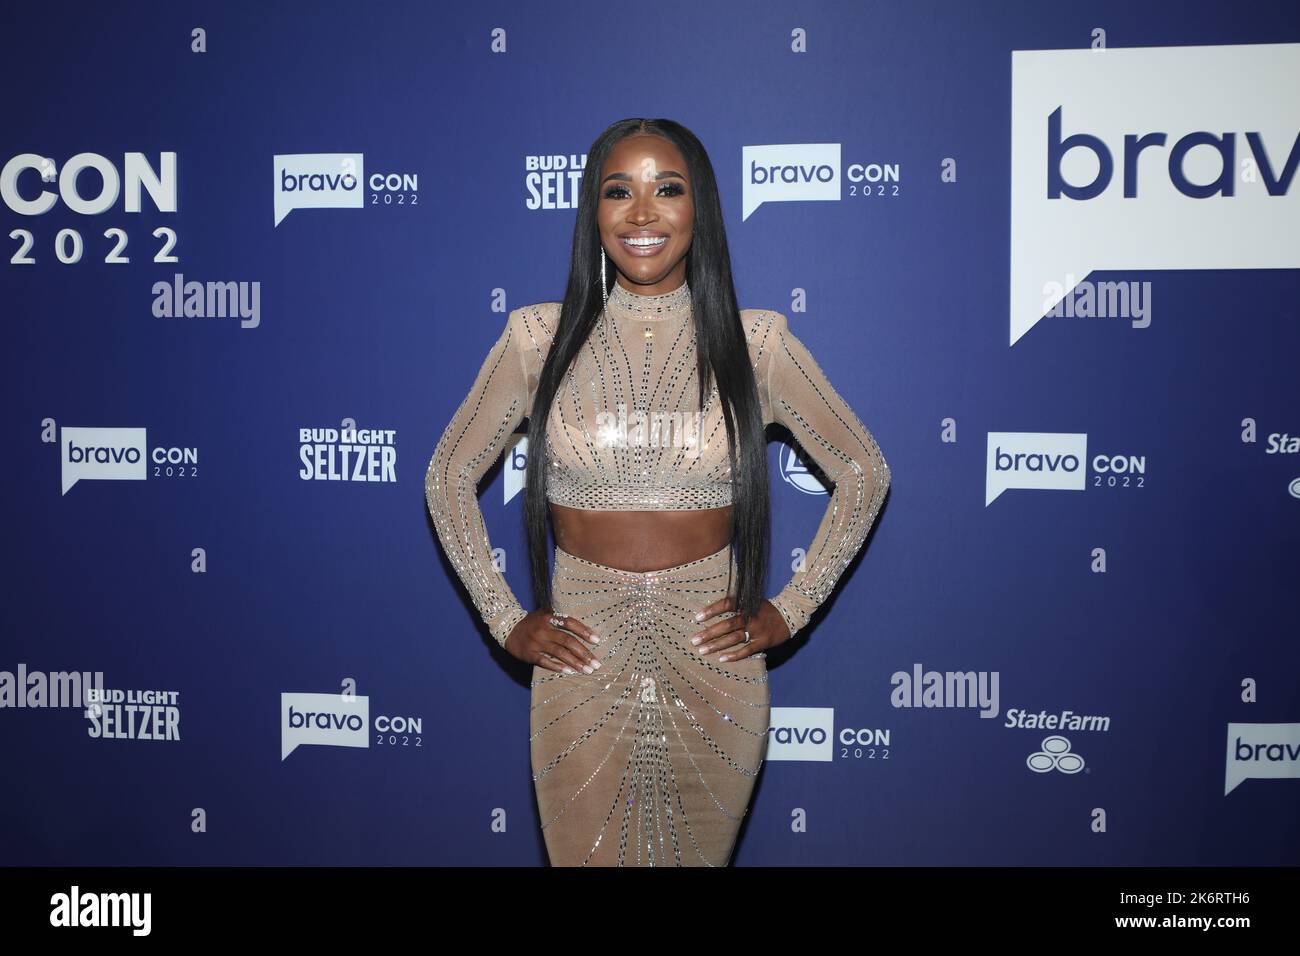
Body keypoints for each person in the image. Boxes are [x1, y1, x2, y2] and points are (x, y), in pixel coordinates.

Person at [425, 118, 890, 866]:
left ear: (698, 208)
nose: (643, 214)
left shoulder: (757, 343)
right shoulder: (536, 339)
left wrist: (792, 609)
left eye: (666, 189)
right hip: (581, 662)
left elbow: (864, 471)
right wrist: (503, 616)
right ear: (593, 213)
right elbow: (447, 475)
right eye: (619, 191)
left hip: (714, 663)